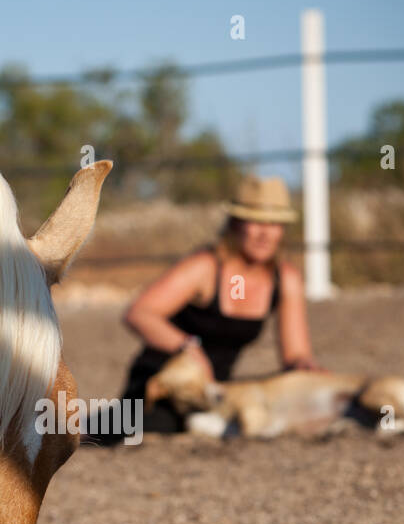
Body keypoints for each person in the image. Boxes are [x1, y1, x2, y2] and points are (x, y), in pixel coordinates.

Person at [117, 174, 319, 435]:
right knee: (152, 428)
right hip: (165, 384)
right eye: (256, 221)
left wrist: (306, 368)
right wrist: (188, 347)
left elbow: (295, 355)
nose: (265, 233)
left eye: (274, 223)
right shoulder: (205, 267)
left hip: (215, 390)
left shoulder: (286, 278)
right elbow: (139, 313)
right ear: (236, 224)